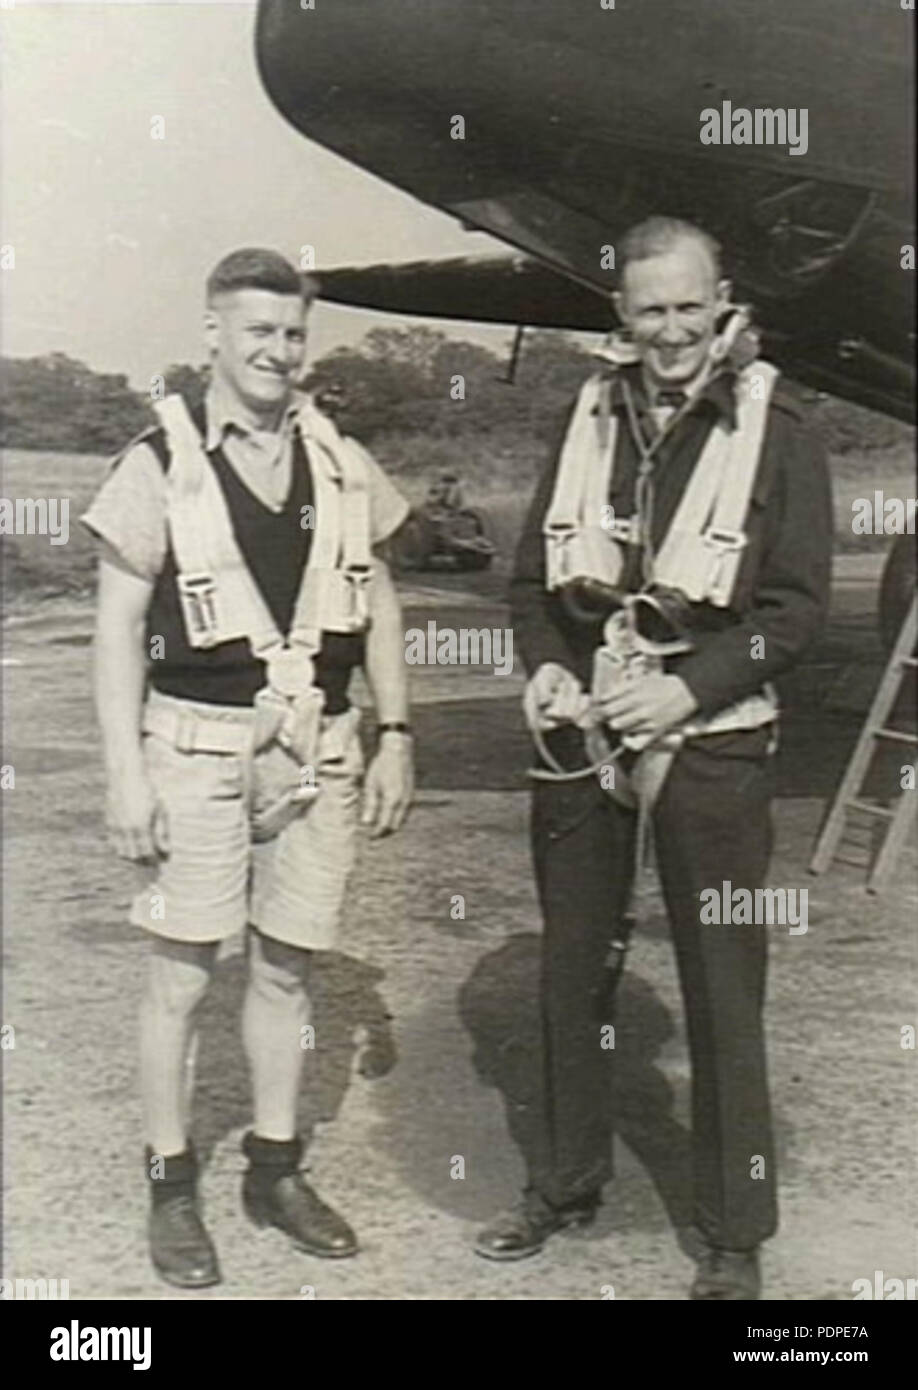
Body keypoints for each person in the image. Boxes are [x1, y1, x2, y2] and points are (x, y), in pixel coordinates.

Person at [474, 216, 833, 1299]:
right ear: (619, 317)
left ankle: (733, 1228)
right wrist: (544, 664)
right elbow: (533, 586)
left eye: (689, 307)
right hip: (583, 738)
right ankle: (567, 1180)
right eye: (649, 311)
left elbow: (797, 611)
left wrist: (691, 684)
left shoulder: (783, 428)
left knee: (724, 987)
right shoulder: (586, 416)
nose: (672, 331)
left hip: (713, 747)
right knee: (570, 972)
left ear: (721, 302)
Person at [83, 248, 414, 1289]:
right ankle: (172, 1184)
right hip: (192, 744)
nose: (277, 351)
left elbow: (386, 595)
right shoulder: (158, 460)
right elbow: (114, 628)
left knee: (286, 964)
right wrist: (125, 778)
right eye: (258, 330)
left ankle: (273, 1170)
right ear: (214, 335)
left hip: (318, 744)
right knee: (182, 972)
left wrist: (396, 731)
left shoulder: (339, 459)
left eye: (292, 333)